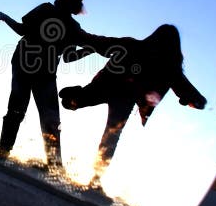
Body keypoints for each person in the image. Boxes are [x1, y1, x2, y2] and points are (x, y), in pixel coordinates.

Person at [58, 24, 207, 186]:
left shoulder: (165, 67)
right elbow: (103, 43)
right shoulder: (165, 66)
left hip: (115, 92)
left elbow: (102, 43)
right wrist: (197, 101)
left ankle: (96, 179)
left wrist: (196, 100)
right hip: (111, 89)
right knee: (106, 132)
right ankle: (75, 97)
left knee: (110, 135)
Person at [0, 0, 101, 168]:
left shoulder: (73, 27)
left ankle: (54, 167)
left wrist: (91, 50)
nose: (76, 0)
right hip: (24, 64)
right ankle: (3, 154)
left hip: (45, 73)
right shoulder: (46, 10)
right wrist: (3, 17)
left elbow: (69, 56)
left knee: (50, 119)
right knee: (17, 108)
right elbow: (23, 30)